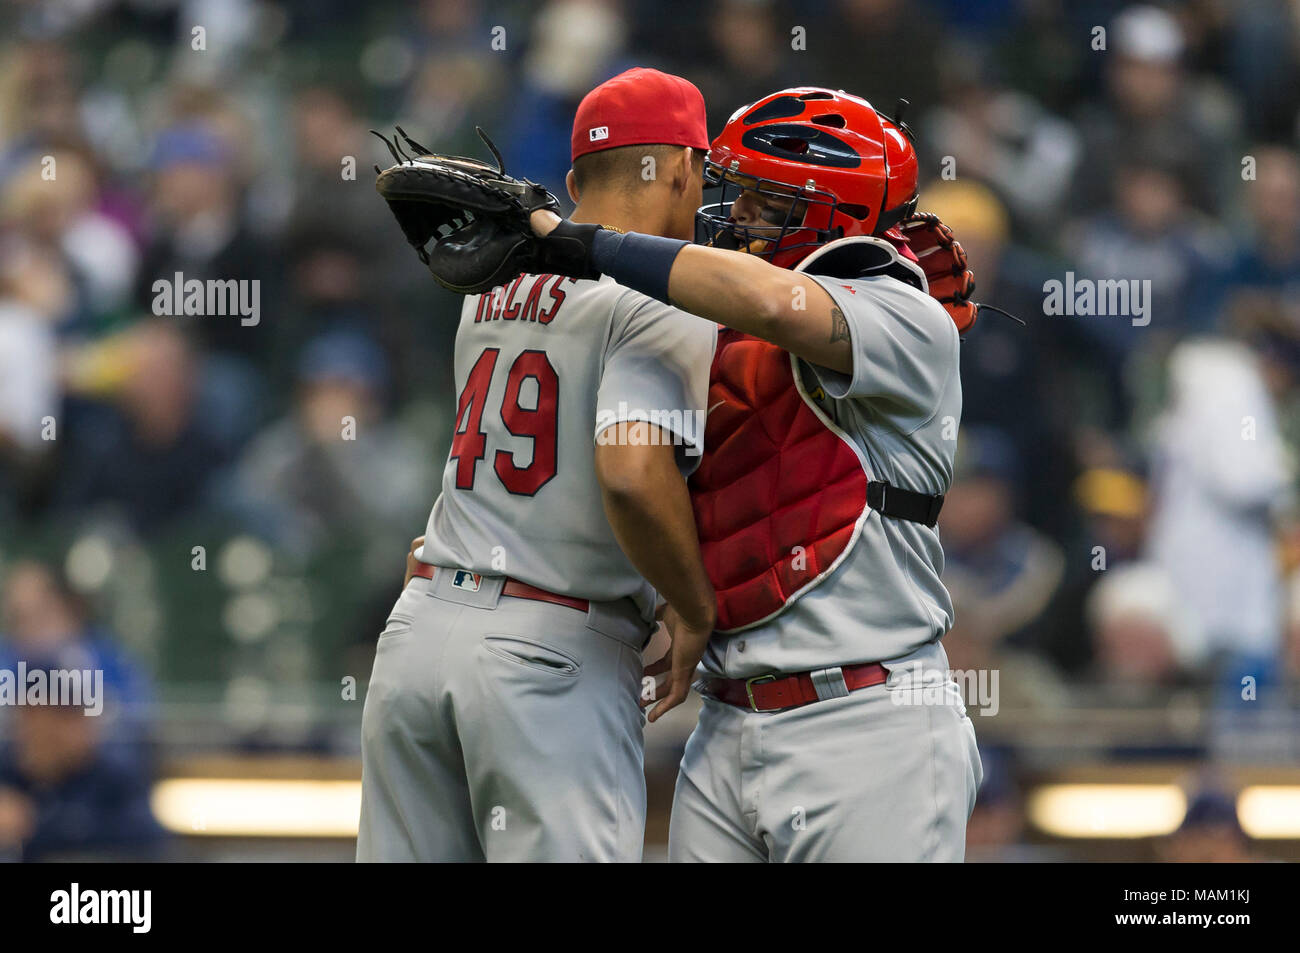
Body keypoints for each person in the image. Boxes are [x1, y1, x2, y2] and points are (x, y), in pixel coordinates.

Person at [531, 86, 983, 861]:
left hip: (870, 721)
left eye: (764, 201)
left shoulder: (909, 315)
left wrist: (586, 240)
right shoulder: (715, 321)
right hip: (725, 717)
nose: (736, 216)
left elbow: (782, 307)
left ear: (833, 209)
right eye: (736, 192)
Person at [357, 68, 717, 863]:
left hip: (418, 632)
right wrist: (692, 605)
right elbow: (630, 472)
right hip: (550, 649)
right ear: (684, 169)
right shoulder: (658, 294)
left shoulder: (488, 279)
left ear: (575, 179)